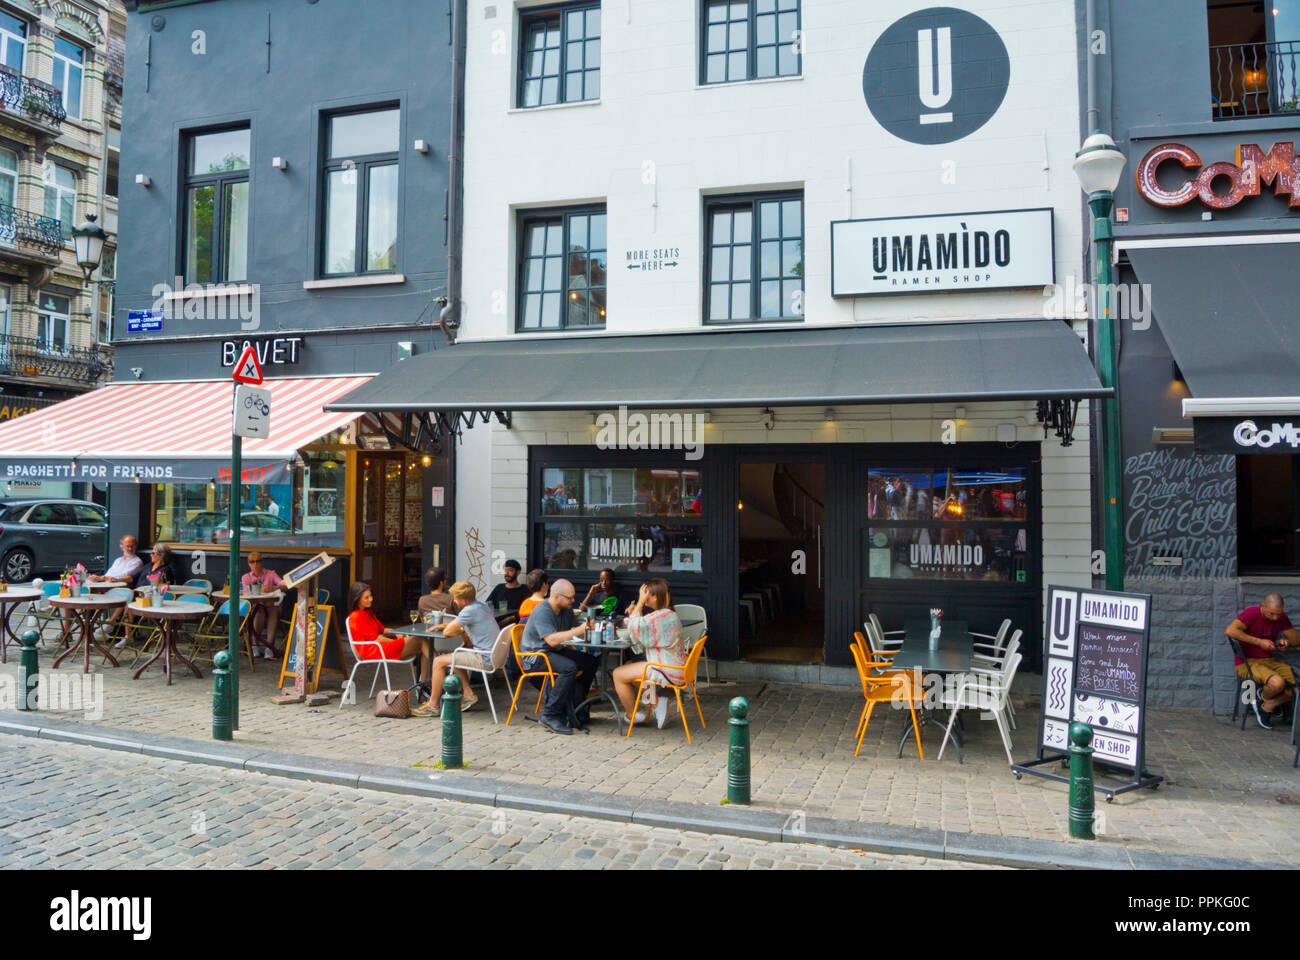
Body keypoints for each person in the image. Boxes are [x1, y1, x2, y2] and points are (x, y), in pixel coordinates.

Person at [520, 577, 596, 735]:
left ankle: (578, 706)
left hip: (553, 651)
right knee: (569, 668)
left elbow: (574, 629)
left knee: (590, 662)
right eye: (570, 598)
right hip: (534, 656)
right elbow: (552, 640)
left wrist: (590, 628)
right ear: (556, 596)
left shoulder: (566, 610)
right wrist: (579, 630)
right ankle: (550, 715)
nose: (573, 600)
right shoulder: (542, 611)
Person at [414, 581, 499, 718]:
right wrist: (448, 626)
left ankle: (433, 705)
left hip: (484, 658)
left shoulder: (468, 611)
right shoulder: (481, 606)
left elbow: (448, 632)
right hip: (495, 656)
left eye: (455, 598)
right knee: (454, 656)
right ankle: (468, 694)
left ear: (463, 601)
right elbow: (458, 624)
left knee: (438, 661)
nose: (453, 601)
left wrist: (451, 628)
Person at [613, 578, 686, 730]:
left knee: (618, 674)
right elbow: (640, 625)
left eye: (648, 594)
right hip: (676, 666)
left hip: (665, 668)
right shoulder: (668, 614)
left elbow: (635, 628)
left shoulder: (660, 617)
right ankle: (657, 704)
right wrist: (636, 612)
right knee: (629, 667)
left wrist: (639, 603)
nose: (645, 596)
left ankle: (631, 715)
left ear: (656, 597)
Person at [1226, 593, 1299, 729]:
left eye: (1278, 614)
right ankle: (1265, 698)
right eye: (1272, 614)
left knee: (1297, 681)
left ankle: (1267, 703)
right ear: (1263, 606)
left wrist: (1287, 643)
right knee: (1278, 683)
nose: (1275, 617)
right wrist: (1259, 642)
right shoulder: (1252, 613)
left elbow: (1296, 639)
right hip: (1247, 662)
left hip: (1269, 661)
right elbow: (1230, 631)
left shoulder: (1281, 617)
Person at [346, 581, 431, 693]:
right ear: (356, 599)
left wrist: (396, 632)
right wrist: (400, 639)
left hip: (378, 646)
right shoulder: (356, 617)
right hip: (373, 650)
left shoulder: (367, 612)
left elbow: (382, 630)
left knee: (422, 642)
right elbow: (376, 638)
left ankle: (424, 683)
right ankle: (433, 678)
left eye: (371, 596)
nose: (371, 599)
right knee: (420, 640)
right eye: (366, 597)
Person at [241, 551, 284, 660]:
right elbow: (247, 594)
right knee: (259, 610)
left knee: (273, 610)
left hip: (270, 605)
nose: (255, 564)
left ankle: (269, 647)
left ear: (262, 562)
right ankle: (254, 645)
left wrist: (274, 588)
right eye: (252, 562)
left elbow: (285, 584)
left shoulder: (270, 574)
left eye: (258, 561)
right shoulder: (246, 577)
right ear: (249, 564)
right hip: (255, 606)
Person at [485, 560, 530, 624]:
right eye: (505, 570)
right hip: (497, 624)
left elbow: (526, 610)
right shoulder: (499, 587)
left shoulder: (524, 589)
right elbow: (488, 604)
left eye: (510, 570)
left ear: (518, 572)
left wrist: (508, 619)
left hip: (515, 624)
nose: (506, 573)